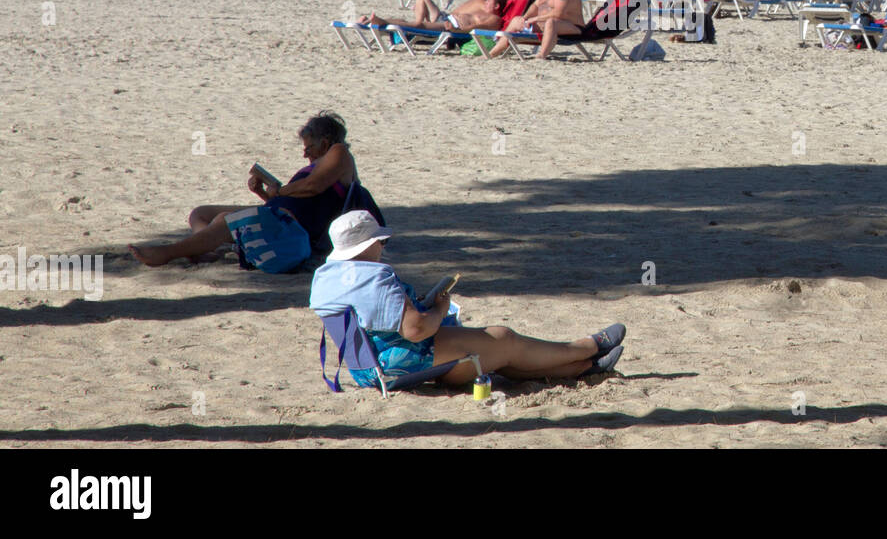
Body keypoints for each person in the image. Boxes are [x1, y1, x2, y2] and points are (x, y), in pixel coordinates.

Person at [309, 211, 625, 389]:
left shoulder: (325, 277)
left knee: (498, 356)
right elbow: (416, 330)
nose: (383, 247)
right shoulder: (374, 275)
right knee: (503, 337)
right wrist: (440, 308)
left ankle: (582, 368)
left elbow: (370, 318)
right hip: (397, 362)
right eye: (380, 241)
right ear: (369, 244)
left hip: (363, 368)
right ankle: (587, 346)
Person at [130, 112, 358, 268]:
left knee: (223, 219)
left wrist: (279, 190)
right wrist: (263, 193)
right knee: (200, 213)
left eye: (308, 148)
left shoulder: (338, 153)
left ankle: (169, 253)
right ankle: (203, 248)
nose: (305, 154)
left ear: (325, 143)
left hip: (296, 226)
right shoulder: (321, 163)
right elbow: (295, 197)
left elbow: (312, 187)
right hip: (281, 215)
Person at [362, 0, 505, 32]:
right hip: (447, 18)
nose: (484, 3)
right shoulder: (483, 11)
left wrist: (456, 30)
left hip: (450, 26)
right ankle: (373, 21)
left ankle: (380, 21)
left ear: (497, 6)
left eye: (488, 2)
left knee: (418, 25)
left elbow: (475, 28)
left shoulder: (494, 19)